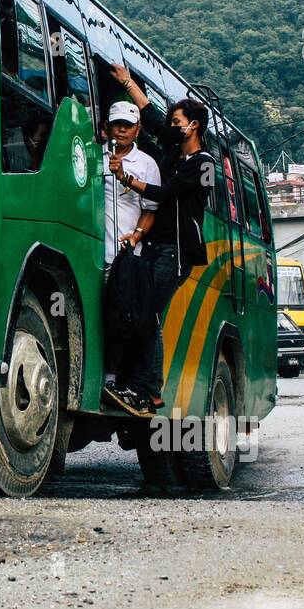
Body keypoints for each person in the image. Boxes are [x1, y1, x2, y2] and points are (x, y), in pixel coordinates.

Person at [104, 65, 216, 416]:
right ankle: (133, 386)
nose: (171, 126)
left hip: (177, 251)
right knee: (139, 315)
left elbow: (165, 193)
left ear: (192, 125)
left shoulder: (203, 163)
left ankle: (149, 392)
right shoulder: (174, 152)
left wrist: (126, 179)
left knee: (148, 317)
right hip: (154, 247)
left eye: (177, 121)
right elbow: (150, 118)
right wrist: (126, 82)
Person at [101, 101, 161, 387]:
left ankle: (115, 377)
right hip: (91, 249)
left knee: (120, 316)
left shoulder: (147, 164)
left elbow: (151, 208)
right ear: (109, 126)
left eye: (128, 125)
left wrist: (136, 235)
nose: (122, 129)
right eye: (117, 124)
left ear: (138, 129)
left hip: (124, 254)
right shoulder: (95, 153)